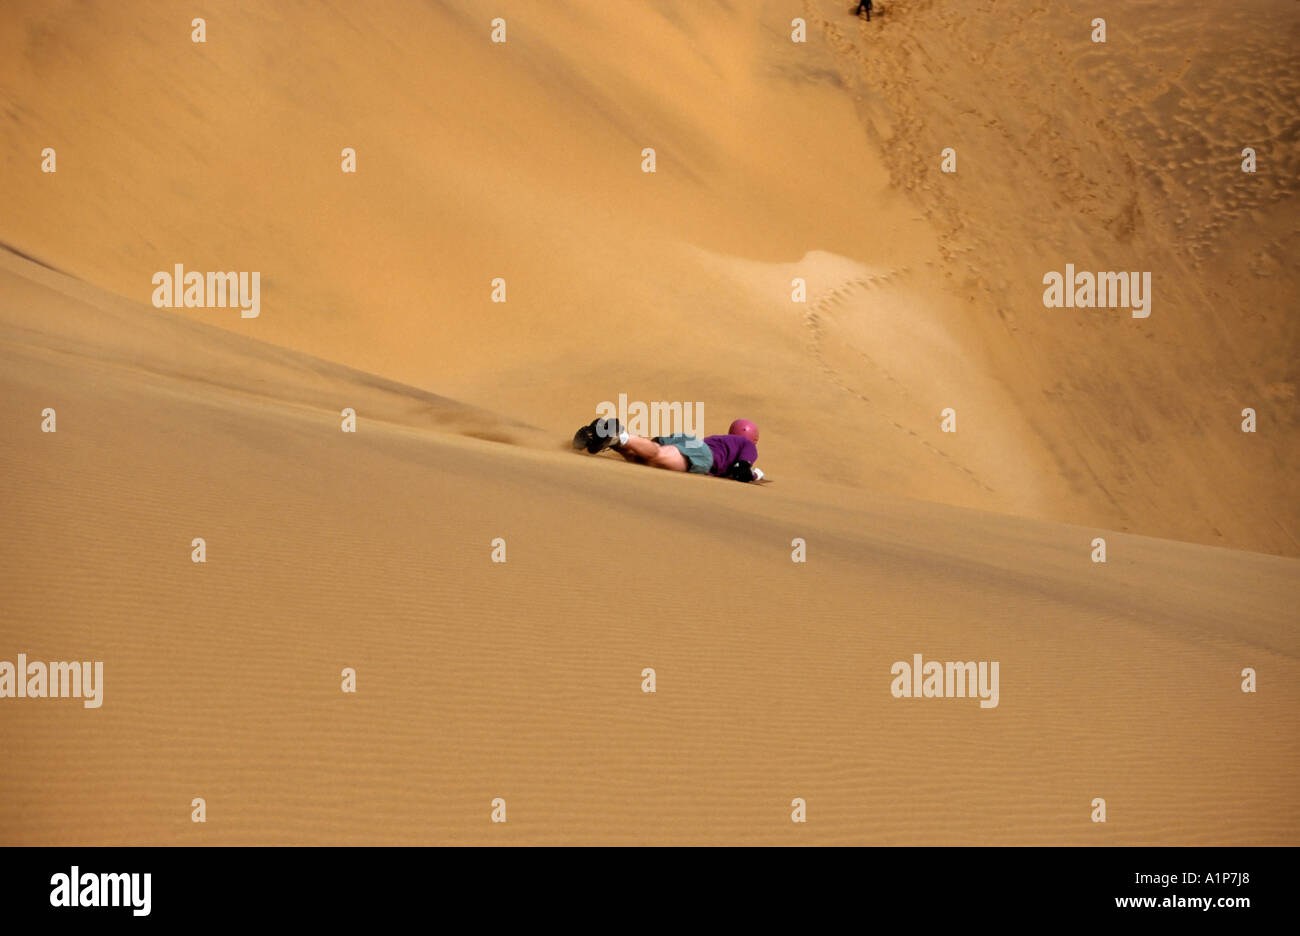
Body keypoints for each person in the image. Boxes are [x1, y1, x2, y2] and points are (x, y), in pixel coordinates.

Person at [573, 417, 765, 482]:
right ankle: (619, 435)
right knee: (657, 456)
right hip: (703, 454)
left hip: (691, 441)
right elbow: (741, 468)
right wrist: (755, 474)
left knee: (645, 458)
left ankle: (614, 440)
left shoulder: (720, 440)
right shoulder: (747, 445)